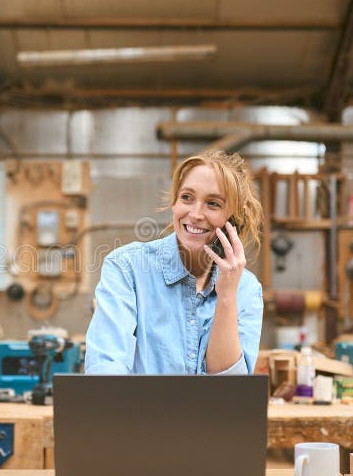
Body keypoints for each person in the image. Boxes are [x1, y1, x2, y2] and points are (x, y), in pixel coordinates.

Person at [85, 148, 264, 375]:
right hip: (136, 411)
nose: (196, 214)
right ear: (174, 204)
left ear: (233, 219)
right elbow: (105, 370)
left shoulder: (247, 290)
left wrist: (227, 297)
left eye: (213, 203)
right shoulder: (127, 269)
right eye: (187, 198)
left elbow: (228, 391)